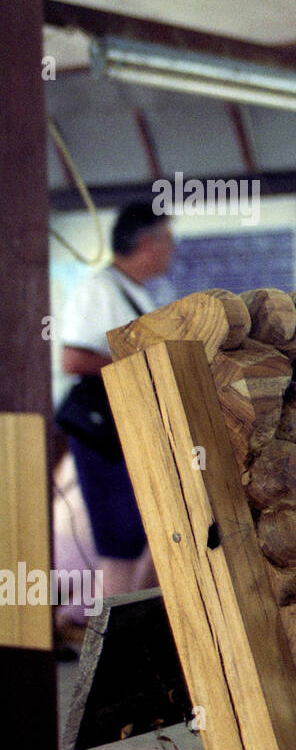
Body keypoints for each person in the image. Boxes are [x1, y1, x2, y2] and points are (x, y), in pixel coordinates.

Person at [58, 203, 173, 610]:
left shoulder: (133, 291)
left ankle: (126, 635)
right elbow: (72, 360)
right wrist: (140, 365)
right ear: (147, 243)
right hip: (104, 434)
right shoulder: (99, 289)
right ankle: (110, 650)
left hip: (130, 429)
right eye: (168, 239)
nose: (172, 250)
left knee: (147, 538)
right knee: (120, 546)